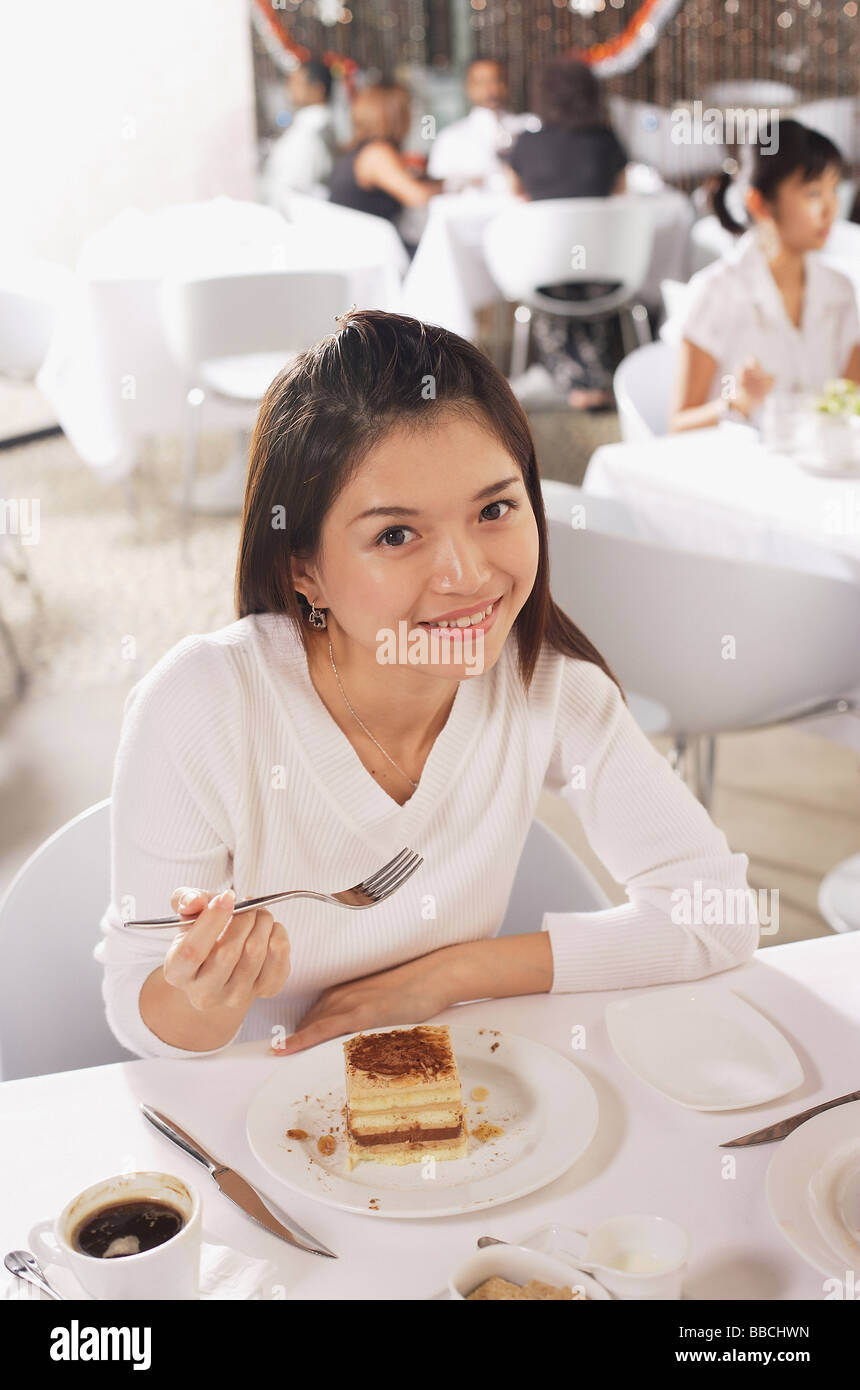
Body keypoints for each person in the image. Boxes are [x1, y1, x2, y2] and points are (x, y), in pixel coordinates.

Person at [95, 310, 758, 1061]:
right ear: (302, 568)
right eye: (396, 535)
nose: (468, 575)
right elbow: (137, 1003)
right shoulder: (202, 706)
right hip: (246, 1109)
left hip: (450, 1095)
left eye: (495, 509)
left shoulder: (547, 689)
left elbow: (718, 913)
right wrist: (207, 996)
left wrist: (453, 973)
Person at [669, 119, 860, 433]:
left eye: (833, 190)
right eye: (813, 193)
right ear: (759, 203)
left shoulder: (840, 290)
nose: (830, 209)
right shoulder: (716, 291)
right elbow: (677, 426)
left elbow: (850, 404)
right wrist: (737, 403)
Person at [502, 59, 629, 411]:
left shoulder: (527, 143)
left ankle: (571, 378)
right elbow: (621, 193)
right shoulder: (606, 140)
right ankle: (596, 379)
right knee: (587, 276)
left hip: (545, 274)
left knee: (557, 277)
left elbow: (517, 193)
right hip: (608, 273)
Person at [328, 83, 442, 242]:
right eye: (407, 109)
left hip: (355, 245)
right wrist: (453, 184)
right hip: (372, 253)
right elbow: (418, 196)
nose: (412, 116)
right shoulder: (377, 153)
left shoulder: (362, 150)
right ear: (394, 116)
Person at [426, 58, 533, 191]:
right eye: (481, 82)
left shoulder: (529, 126)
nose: (490, 89)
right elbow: (440, 187)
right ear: (468, 87)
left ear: (506, 84)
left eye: (496, 80)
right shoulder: (449, 138)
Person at [260, 58, 335, 206]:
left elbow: (293, 191)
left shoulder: (311, 133)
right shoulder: (308, 128)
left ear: (317, 90)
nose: (289, 88)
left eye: (296, 82)